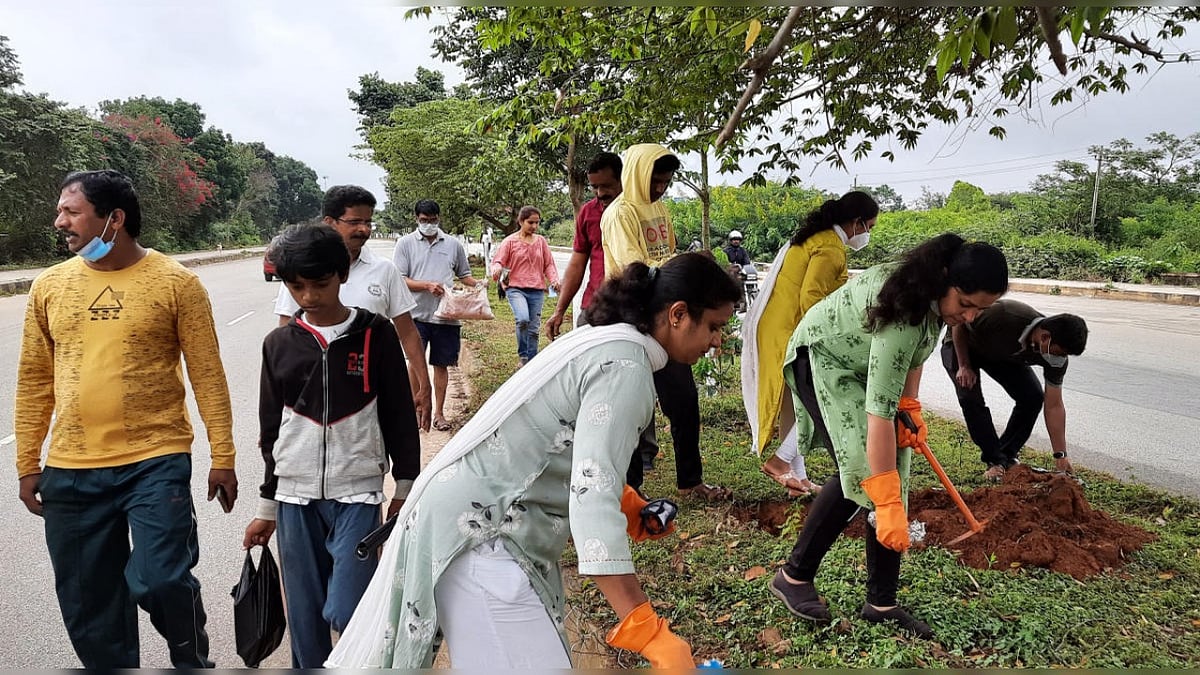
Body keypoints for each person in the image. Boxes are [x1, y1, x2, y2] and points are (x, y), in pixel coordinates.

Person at [325, 253, 742, 669]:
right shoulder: (625, 365)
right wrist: (646, 629)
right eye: (714, 326)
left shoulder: (606, 341)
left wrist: (627, 502)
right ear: (678, 314)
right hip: (482, 538)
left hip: (476, 521)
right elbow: (592, 504)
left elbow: (563, 445)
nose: (717, 342)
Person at [15, 170, 238, 668]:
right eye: (60, 211)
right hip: (72, 468)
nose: (59, 222)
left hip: (154, 461)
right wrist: (28, 462)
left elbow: (207, 374)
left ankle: (191, 659)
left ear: (113, 219)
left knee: (161, 579)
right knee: (88, 603)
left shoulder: (177, 283)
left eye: (71, 212)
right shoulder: (50, 286)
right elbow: (34, 379)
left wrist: (222, 455)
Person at [769, 233, 1008, 639]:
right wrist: (885, 498)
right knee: (865, 471)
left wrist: (910, 405)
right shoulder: (905, 310)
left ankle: (881, 603)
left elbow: (913, 357)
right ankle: (793, 576)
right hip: (825, 358)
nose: (969, 317)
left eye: (980, 310)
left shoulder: (934, 300)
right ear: (945, 279)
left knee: (895, 468)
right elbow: (879, 411)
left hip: (864, 363)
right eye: (966, 304)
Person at [245, 223, 421, 668]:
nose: (308, 296)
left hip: (357, 494)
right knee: (304, 617)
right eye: (296, 286)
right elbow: (270, 432)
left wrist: (405, 485)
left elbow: (399, 414)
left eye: (319, 284)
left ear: (342, 275)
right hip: (293, 497)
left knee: (347, 608)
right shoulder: (278, 345)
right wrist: (267, 507)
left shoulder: (376, 335)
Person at [601, 143, 732, 501]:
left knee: (684, 401)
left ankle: (690, 482)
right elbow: (635, 270)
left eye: (666, 182)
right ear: (637, 175)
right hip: (634, 319)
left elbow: (669, 256)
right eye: (655, 181)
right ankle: (630, 491)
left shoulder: (658, 209)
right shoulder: (619, 214)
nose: (660, 188)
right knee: (630, 408)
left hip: (666, 319)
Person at [743, 191, 878, 497]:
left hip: (777, 326)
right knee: (818, 398)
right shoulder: (830, 249)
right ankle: (781, 461)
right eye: (868, 227)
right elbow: (812, 298)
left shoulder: (816, 237)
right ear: (856, 222)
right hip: (791, 330)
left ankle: (798, 479)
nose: (867, 235)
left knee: (795, 403)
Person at [273, 185, 433, 431]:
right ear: (330, 222)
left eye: (368, 222)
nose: (364, 229)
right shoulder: (304, 271)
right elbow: (286, 334)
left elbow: (407, 331)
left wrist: (424, 384)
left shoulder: (384, 270)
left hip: (372, 397)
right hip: (314, 396)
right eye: (355, 222)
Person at [942, 300, 1088, 480]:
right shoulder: (1003, 314)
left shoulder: (1057, 359)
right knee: (971, 397)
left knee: (1032, 397)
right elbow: (960, 323)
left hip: (1001, 354)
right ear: (1045, 337)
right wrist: (964, 365)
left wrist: (1061, 455)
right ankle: (995, 461)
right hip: (963, 345)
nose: (1059, 358)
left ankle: (1006, 455)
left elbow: (1054, 405)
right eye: (1058, 353)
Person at [392, 199, 485, 431]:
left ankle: (439, 413)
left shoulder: (453, 244)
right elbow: (399, 279)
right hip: (415, 315)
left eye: (433, 220)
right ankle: (416, 409)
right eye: (424, 220)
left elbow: (464, 275)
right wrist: (426, 285)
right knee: (415, 364)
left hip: (446, 315)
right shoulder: (405, 244)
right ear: (417, 219)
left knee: (442, 365)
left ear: (439, 219)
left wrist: (480, 284)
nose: (429, 224)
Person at [545, 151, 623, 338]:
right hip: (595, 306)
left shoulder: (638, 211)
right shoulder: (588, 212)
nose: (600, 193)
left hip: (630, 311)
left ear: (622, 179)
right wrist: (559, 311)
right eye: (594, 187)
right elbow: (577, 263)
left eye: (606, 186)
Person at [490, 206, 560, 365]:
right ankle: (523, 355)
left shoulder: (541, 242)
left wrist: (554, 280)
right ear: (521, 221)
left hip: (536, 290)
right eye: (530, 222)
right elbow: (498, 261)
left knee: (534, 329)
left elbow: (548, 264)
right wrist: (497, 269)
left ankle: (531, 362)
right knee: (522, 319)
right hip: (515, 288)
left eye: (537, 223)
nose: (534, 226)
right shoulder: (509, 242)